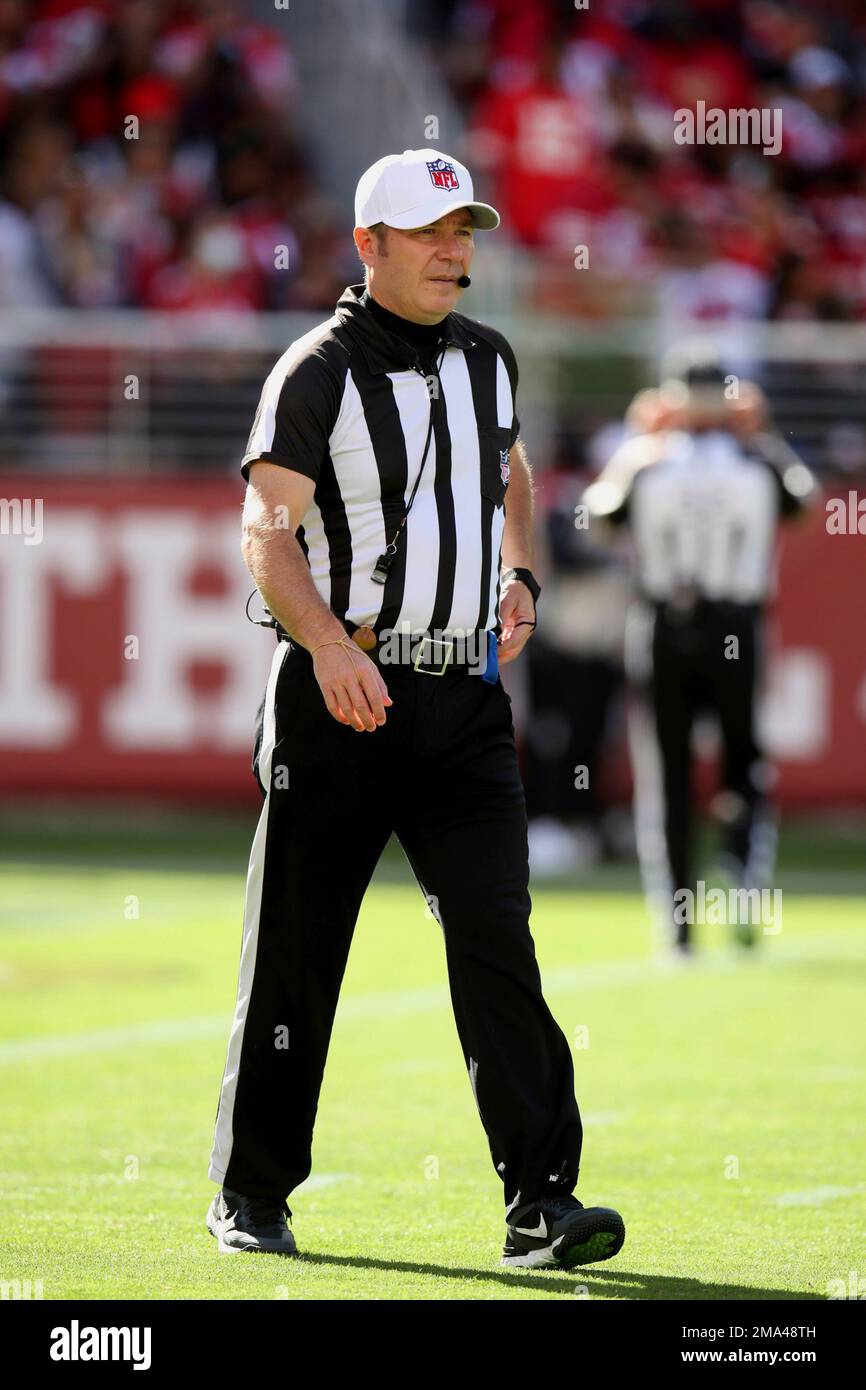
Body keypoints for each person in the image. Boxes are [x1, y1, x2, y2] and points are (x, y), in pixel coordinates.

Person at [205, 148, 625, 1270]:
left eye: (466, 230)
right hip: (341, 698)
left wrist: (521, 573)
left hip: (464, 702)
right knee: (296, 954)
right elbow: (264, 531)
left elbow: (513, 472)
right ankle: (251, 1191)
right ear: (370, 245)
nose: (456, 251)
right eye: (433, 231)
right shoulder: (315, 370)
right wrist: (330, 646)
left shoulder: (487, 357)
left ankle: (540, 1201)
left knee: (497, 943)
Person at [584, 348, 817, 955]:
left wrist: (639, 435)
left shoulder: (645, 456)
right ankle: (740, 884)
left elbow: (599, 518)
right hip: (737, 623)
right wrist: (759, 432)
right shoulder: (757, 456)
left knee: (670, 774)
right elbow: (804, 503)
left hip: (664, 622)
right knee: (744, 765)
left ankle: (680, 919)